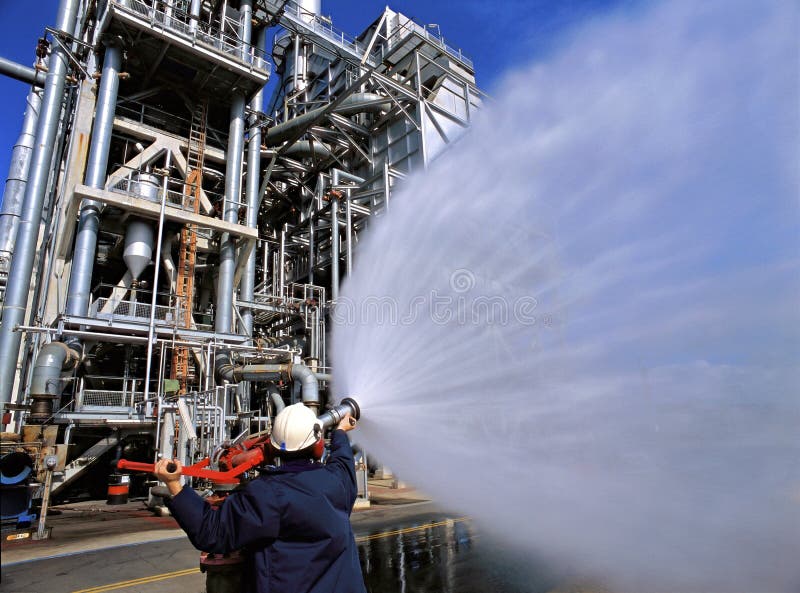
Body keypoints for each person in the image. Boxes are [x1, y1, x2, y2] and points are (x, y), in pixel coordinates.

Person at [154, 403, 367, 593]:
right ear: (319, 444)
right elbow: (342, 460)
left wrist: (174, 485)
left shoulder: (266, 494)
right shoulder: (338, 482)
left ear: (272, 446)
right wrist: (340, 431)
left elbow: (213, 532)